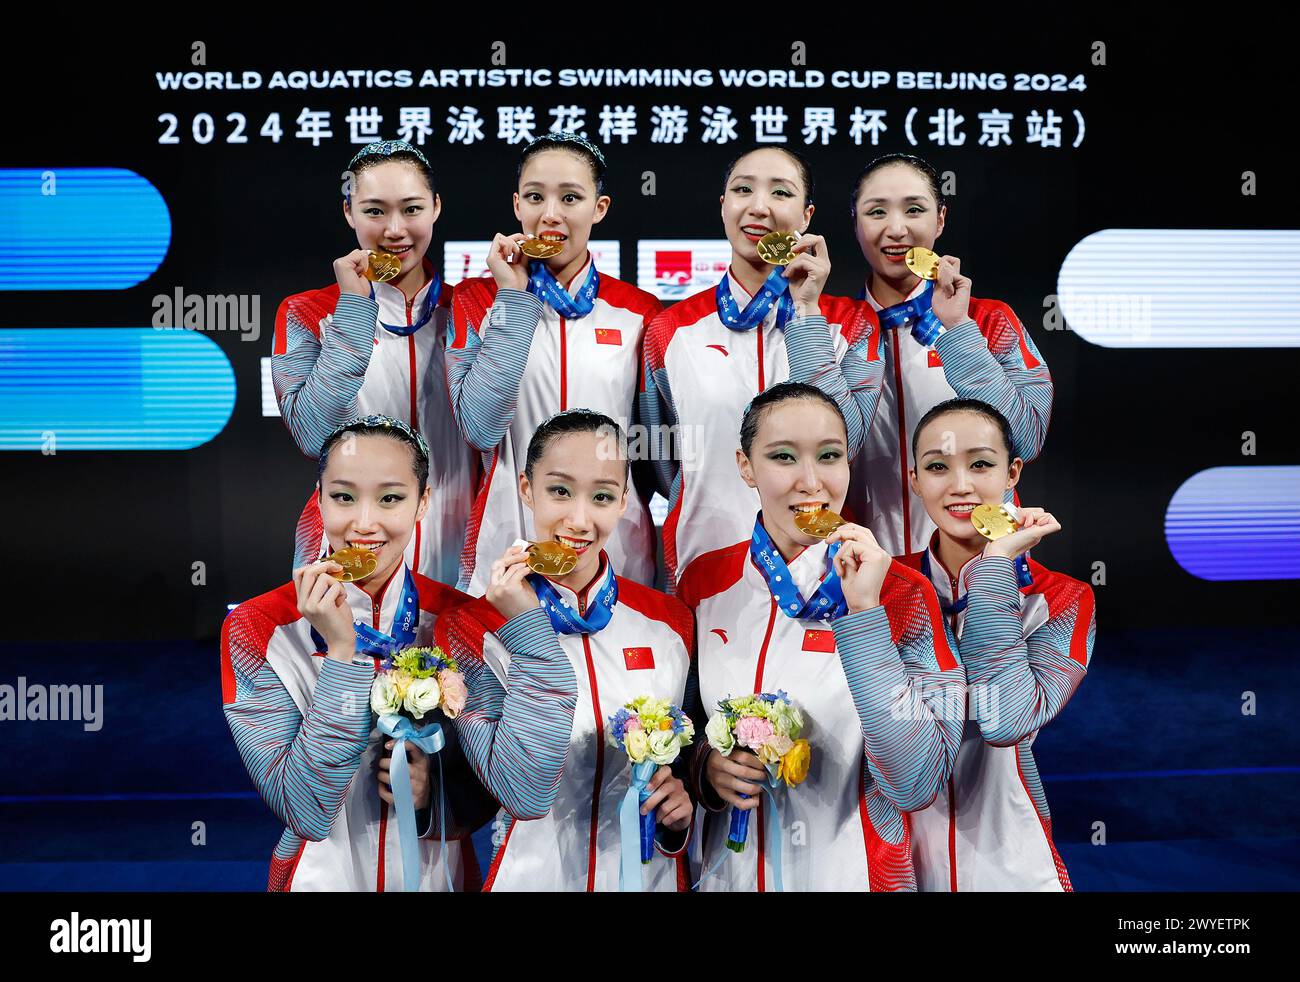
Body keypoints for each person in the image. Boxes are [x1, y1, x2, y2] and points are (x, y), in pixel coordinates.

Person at [221, 415, 576, 891]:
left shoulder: (460, 618)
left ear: (422, 502)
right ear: (320, 497)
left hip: (439, 878)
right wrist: (342, 655)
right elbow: (306, 808)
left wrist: (435, 793)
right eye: (343, 497)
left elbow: (514, 788)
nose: (364, 524)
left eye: (390, 498)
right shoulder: (257, 627)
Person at [679, 383, 963, 891]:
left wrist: (864, 616)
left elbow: (917, 779)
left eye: (829, 456)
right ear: (745, 466)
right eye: (783, 457)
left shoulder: (902, 592)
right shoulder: (704, 581)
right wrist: (707, 769)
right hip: (727, 875)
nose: (811, 482)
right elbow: (686, 723)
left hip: (857, 875)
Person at [437, 410, 696, 891]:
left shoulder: (671, 622)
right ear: (526, 489)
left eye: (601, 496)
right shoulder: (470, 628)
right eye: (559, 491)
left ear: (623, 503)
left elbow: (682, 770)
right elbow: (518, 788)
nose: (579, 519)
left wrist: (680, 814)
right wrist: (527, 627)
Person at [641, 146, 883, 587]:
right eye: (743, 189)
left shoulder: (852, 324)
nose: (759, 206)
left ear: (806, 215)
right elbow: (660, 455)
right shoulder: (670, 329)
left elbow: (844, 439)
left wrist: (806, 313)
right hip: (703, 563)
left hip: (822, 568)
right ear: (723, 206)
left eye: (781, 193)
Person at [447, 133, 660, 595]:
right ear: (516, 205)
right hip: (507, 533)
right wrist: (513, 298)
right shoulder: (477, 300)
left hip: (614, 539)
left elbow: (656, 449)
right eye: (535, 197)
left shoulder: (641, 310)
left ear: (599, 208)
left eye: (570, 198)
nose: (551, 214)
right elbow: (481, 428)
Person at [900, 398, 1095, 891]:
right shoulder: (878, 585)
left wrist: (996, 567)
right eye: (938, 466)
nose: (960, 485)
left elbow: (1003, 719)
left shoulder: (1064, 598)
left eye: (981, 464)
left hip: (1006, 856)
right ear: (914, 479)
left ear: (1012, 473)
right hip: (889, 852)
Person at [273, 140, 478, 587]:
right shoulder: (306, 312)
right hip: (354, 543)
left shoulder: (471, 310)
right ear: (349, 213)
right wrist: (353, 308)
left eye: (411, 209)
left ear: (436, 208)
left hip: (464, 544)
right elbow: (312, 434)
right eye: (374, 211)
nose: (395, 230)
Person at [847, 153, 1053, 555]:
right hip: (868, 569)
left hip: (979, 561)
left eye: (914, 210)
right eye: (876, 212)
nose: (896, 228)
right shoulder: (833, 327)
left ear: (940, 219)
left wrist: (957, 330)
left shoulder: (989, 319)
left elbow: (1025, 440)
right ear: (855, 222)